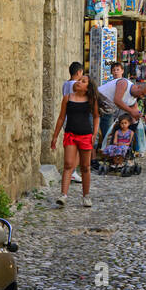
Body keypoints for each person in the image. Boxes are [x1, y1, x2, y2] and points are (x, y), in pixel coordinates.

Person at [51, 73, 99, 207]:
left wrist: (94, 134)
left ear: (87, 88)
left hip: (85, 136)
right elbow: (61, 118)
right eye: (79, 80)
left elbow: (96, 117)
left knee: (85, 167)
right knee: (68, 164)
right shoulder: (67, 98)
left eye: (83, 81)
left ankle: (86, 196)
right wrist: (55, 136)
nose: (78, 82)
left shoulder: (91, 100)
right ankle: (63, 195)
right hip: (70, 134)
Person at [96, 71, 146, 155]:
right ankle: (92, 159)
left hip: (108, 112)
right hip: (97, 103)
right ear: (138, 87)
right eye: (142, 94)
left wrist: (140, 114)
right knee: (94, 135)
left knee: (107, 134)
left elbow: (136, 111)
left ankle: (107, 156)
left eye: (144, 96)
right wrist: (131, 111)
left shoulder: (133, 99)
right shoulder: (124, 83)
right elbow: (117, 100)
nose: (141, 96)